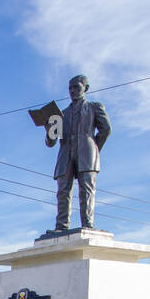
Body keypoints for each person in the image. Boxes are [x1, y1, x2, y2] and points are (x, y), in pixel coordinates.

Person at [46, 74, 111, 231]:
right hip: (66, 156)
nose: (73, 91)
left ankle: (87, 224)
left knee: (86, 190)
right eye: (70, 88)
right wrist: (49, 128)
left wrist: (94, 148)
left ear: (85, 88)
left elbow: (106, 129)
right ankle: (61, 226)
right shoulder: (61, 115)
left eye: (76, 87)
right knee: (63, 191)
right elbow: (51, 142)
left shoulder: (95, 107)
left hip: (87, 154)